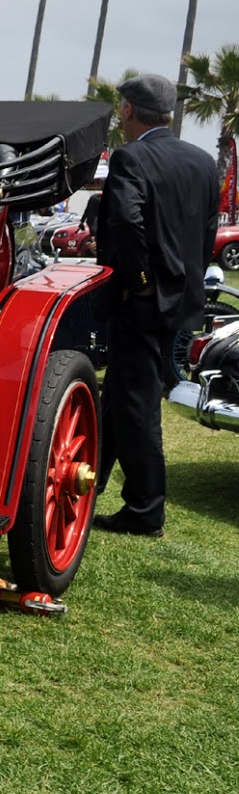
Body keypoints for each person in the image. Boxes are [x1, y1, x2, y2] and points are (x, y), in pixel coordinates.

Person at [93, 73, 220, 537]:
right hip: (181, 300)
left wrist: (142, 283)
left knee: (136, 403)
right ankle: (92, 479)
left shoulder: (131, 157)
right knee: (122, 395)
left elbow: (127, 224)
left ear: (127, 111)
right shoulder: (203, 160)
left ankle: (145, 511)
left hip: (142, 301)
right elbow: (206, 234)